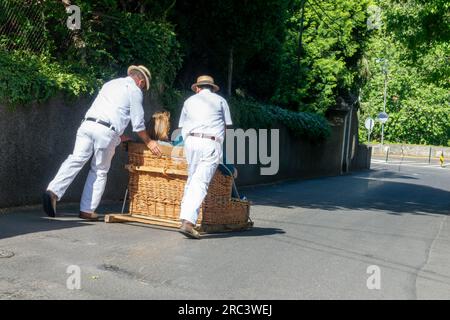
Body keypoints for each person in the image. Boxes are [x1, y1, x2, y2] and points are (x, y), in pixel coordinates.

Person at [42, 65, 162, 220]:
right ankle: (87, 210)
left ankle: (53, 191)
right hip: (106, 132)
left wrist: (118, 136)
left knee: (76, 159)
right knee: (99, 170)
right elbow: (138, 123)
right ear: (140, 82)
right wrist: (149, 141)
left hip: (87, 124)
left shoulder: (110, 84)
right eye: (144, 87)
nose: (142, 89)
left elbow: (110, 110)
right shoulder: (135, 90)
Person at [177, 75, 233, 239]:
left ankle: (183, 218)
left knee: (192, 179)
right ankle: (188, 222)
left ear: (197, 88)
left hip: (191, 141)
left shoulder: (189, 101)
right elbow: (226, 126)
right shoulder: (220, 101)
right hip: (210, 142)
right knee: (200, 182)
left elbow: (182, 125)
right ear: (211, 87)